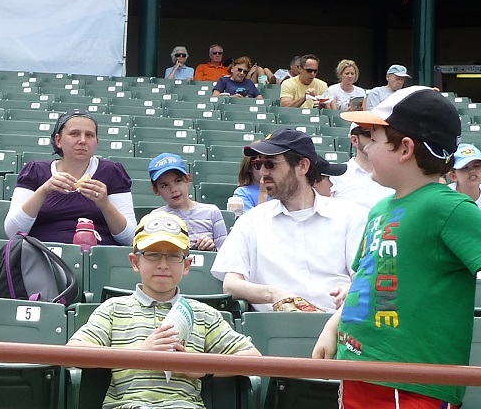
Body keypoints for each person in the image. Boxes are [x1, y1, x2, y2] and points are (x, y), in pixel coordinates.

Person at [312, 87, 481, 409]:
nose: (365, 146)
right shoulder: (380, 209)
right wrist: (333, 327)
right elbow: (365, 279)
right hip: (357, 373)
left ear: (405, 148)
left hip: (414, 385)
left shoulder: (446, 205)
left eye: (373, 137)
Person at [69, 214, 259, 409]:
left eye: (174, 256)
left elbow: (253, 358)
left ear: (187, 265)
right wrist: (138, 353)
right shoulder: (114, 308)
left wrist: (201, 368)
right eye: (152, 255)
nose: (163, 264)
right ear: (135, 262)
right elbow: (74, 351)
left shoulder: (203, 313)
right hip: (130, 408)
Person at [212, 129, 360, 313]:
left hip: (337, 322)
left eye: (270, 164)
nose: (263, 172)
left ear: (303, 166)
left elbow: (365, 276)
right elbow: (231, 284)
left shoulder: (349, 216)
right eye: (258, 164)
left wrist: (352, 289)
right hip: (275, 325)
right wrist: (274, 294)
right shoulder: (250, 221)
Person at [4, 111, 136, 246]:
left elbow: (130, 238)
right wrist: (43, 191)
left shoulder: (111, 172)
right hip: (42, 252)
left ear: (96, 142)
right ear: (58, 140)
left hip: (99, 253)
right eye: (74, 134)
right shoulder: (36, 171)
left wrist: (105, 204)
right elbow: (13, 233)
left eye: (89, 135)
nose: (82, 141)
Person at [146, 153, 226, 251]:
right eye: (164, 185)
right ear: (156, 190)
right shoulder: (156, 217)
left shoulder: (211, 212)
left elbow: (225, 252)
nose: (173, 189)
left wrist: (211, 248)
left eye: (178, 181)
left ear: (188, 179)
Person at [329, 125, 393, 210]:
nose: (375, 139)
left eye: (380, 135)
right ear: (354, 140)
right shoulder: (337, 175)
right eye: (369, 135)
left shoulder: (394, 176)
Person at [448, 143, 481, 219]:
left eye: (476, 166)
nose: (472, 171)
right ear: (453, 176)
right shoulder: (445, 196)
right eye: (464, 168)